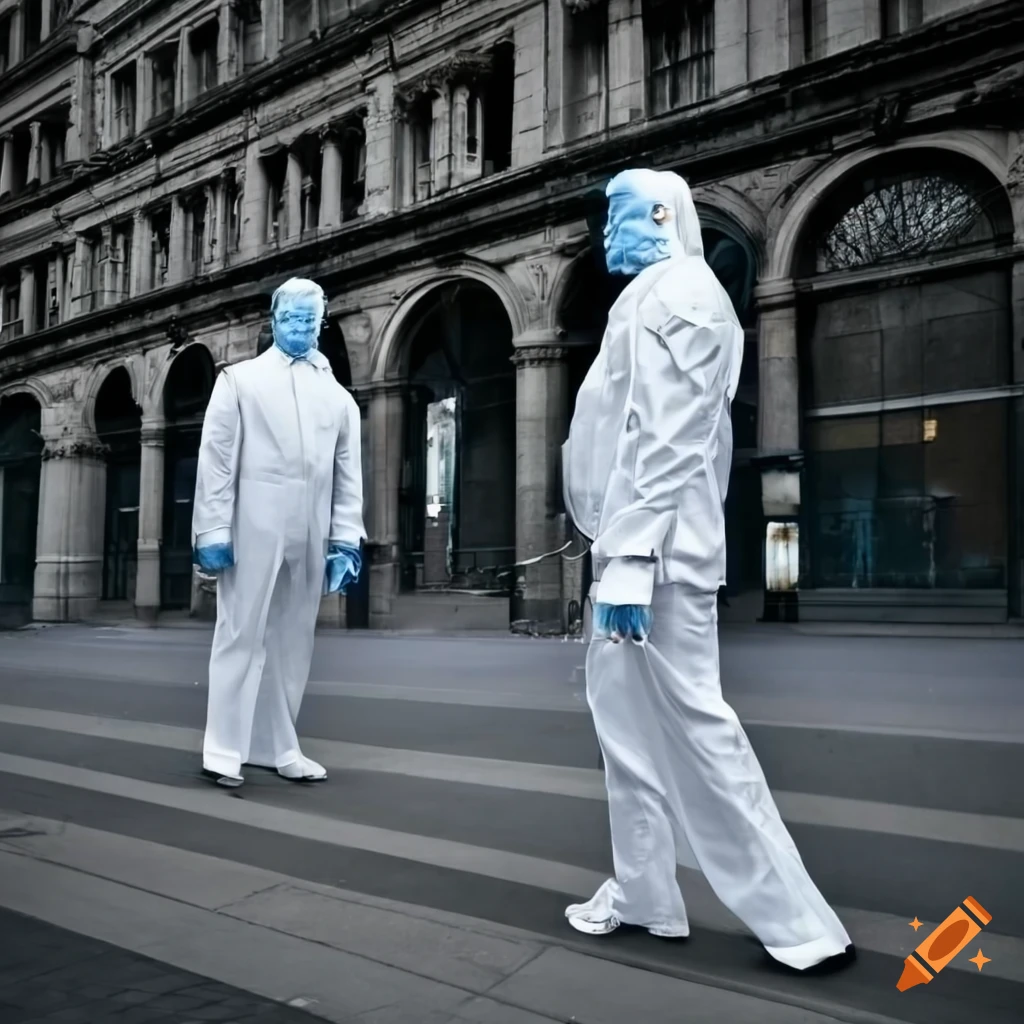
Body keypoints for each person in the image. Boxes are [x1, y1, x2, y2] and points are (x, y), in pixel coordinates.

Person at [561, 169, 853, 971]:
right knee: (627, 736)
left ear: (660, 214)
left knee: (695, 728)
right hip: (632, 551)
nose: (605, 232)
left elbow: (671, 436)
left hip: (650, 559)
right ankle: (645, 893)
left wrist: (629, 558)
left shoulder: (681, 295)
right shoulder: (654, 293)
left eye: (616, 216)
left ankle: (799, 924)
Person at [192, 277, 365, 787]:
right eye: (291, 319)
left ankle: (277, 745)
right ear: (272, 320)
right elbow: (217, 463)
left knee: (294, 641)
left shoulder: (338, 399)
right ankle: (223, 748)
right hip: (252, 527)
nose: (301, 328)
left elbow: (348, 478)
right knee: (239, 633)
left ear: (321, 323)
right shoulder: (239, 381)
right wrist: (213, 531)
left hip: (309, 531)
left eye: (310, 320)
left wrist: (345, 541)